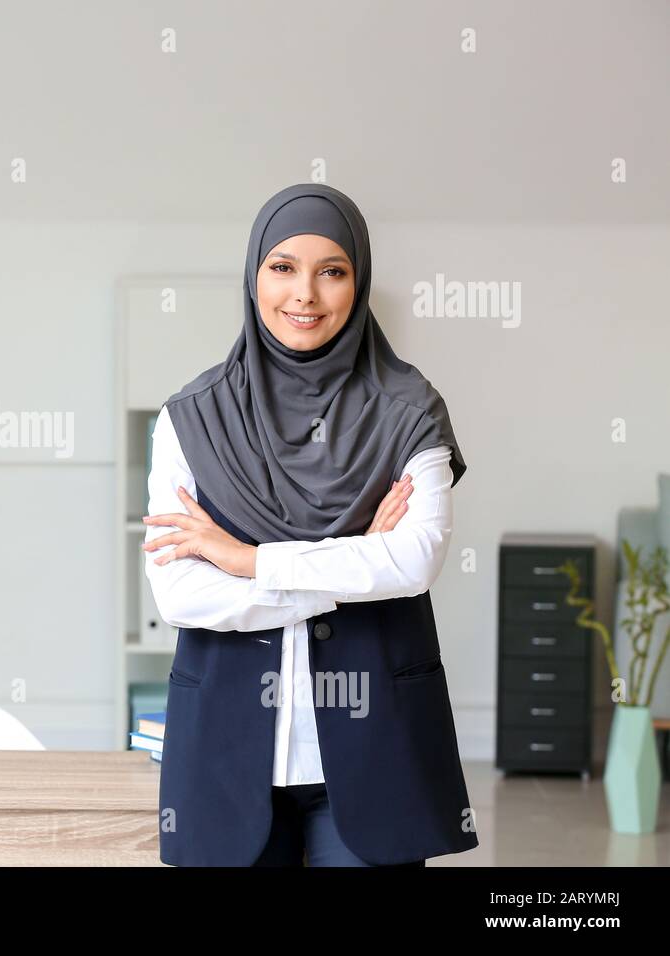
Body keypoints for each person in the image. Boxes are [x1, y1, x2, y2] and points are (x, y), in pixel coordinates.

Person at [142, 182, 478, 867]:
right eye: (283, 267)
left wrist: (247, 560)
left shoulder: (408, 410)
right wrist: (355, 560)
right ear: (253, 276)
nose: (305, 295)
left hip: (375, 748)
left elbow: (413, 563)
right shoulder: (191, 418)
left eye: (332, 271)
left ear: (359, 282)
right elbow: (181, 596)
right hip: (225, 755)